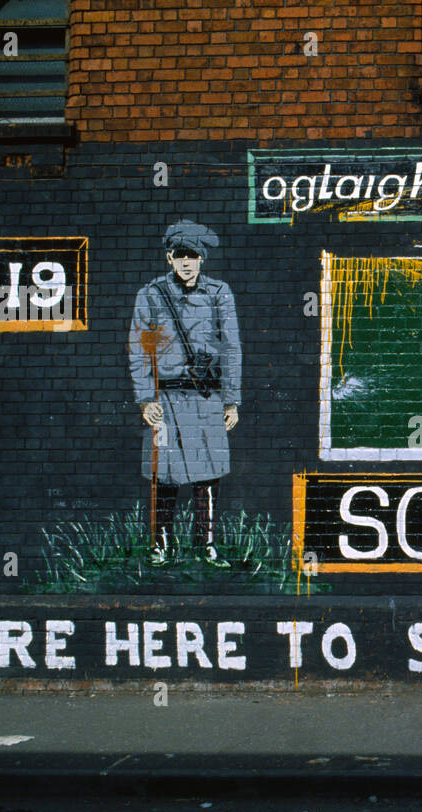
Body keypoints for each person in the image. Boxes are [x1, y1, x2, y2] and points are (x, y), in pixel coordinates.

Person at [128, 219, 242, 567]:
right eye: (180, 256)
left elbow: (231, 347)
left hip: (206, 399)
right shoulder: (152, 295)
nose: (187, 262)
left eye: (193, 255)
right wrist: (147, 398)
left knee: (207, 473)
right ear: (169, 258)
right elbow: (141, 348)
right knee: (164, 474)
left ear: (202, 258)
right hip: (167, 402)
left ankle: (205, 545)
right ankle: (161, 546)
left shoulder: (219, 293)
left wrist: (231, 399)